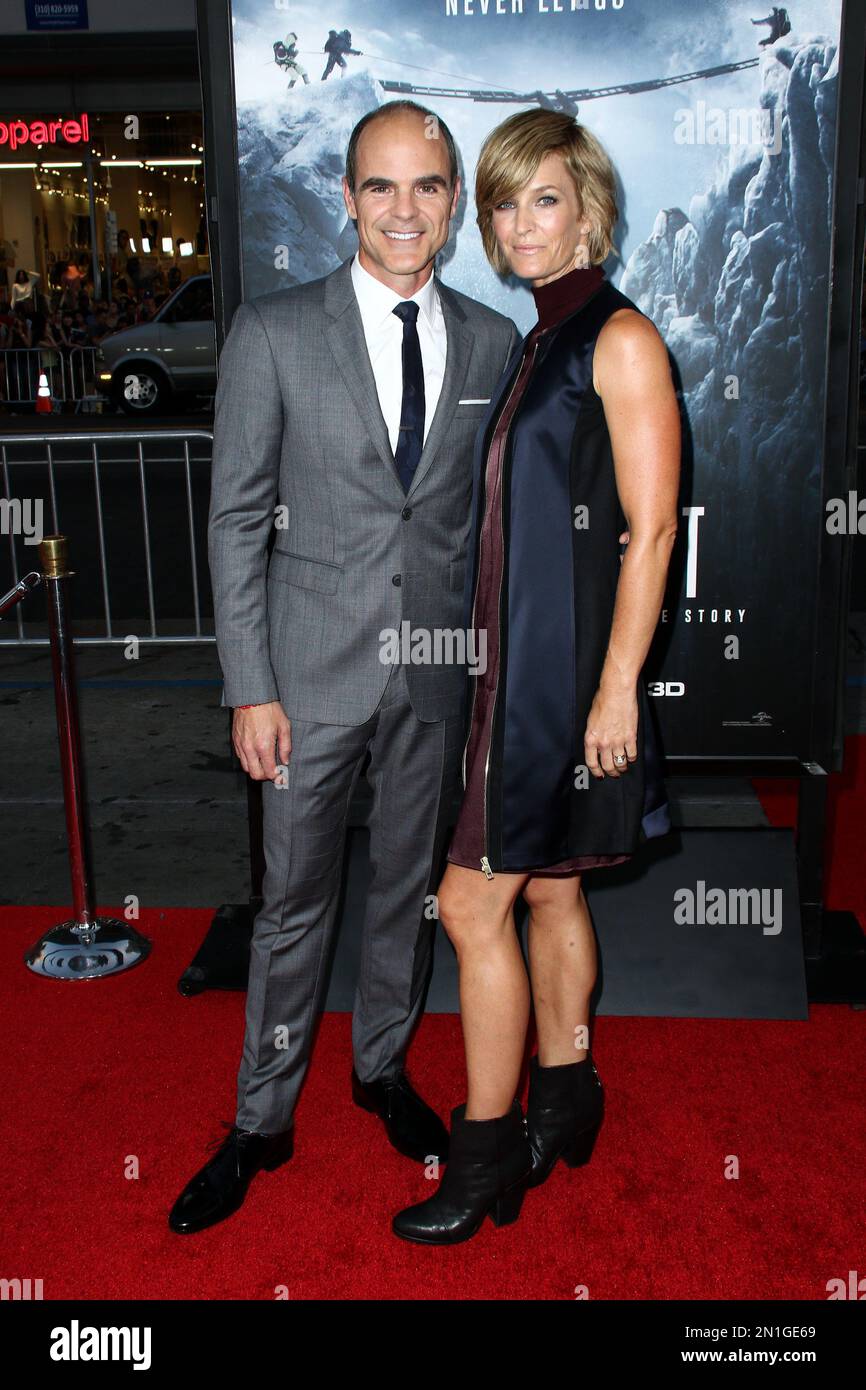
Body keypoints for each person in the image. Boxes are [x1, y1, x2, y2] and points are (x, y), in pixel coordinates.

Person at [168, 99, 520, 1236]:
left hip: (432, 678)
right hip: (304, 678)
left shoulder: (488, 341)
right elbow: (232, 524)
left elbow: (477, 523)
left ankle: (379, 1070)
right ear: (346, 196)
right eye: (381, 186)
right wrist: (248, 684)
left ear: (454, 203)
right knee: (290, 907)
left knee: (403, 899)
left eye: (426, 187)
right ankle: (259, 1120)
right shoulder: (272, 332)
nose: (403, 209)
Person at [392, 108, 680, 1245]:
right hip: (513, 678)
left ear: (588, 209)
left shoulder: (616, 340)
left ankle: (485, 1155)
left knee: (470, 905)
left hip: (559, 692)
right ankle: (570, 1095)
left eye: (543, 199)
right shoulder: (539, 339)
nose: (518, 222)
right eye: (504, 201)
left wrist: (615, 691)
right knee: (551, 887)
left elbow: (652, 535)